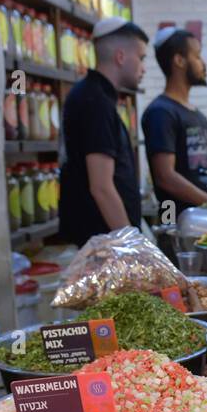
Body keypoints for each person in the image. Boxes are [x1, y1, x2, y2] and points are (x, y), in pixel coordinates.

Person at [58, 17, 148, 245]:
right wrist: (134, 246)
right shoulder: (94, 101)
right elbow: (101, 187)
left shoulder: (94, 95)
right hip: (103, 244)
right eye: (141, 58)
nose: (143, 68)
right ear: (120, 57)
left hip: (106, 240)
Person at [142, 27, 207, 223]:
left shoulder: (197, 116)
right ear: (179, 61)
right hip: (177, 224)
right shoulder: (161, 112)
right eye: (197, 56)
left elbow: (205, 175)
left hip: (204, 221)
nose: (203, 63)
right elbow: (166, 178)